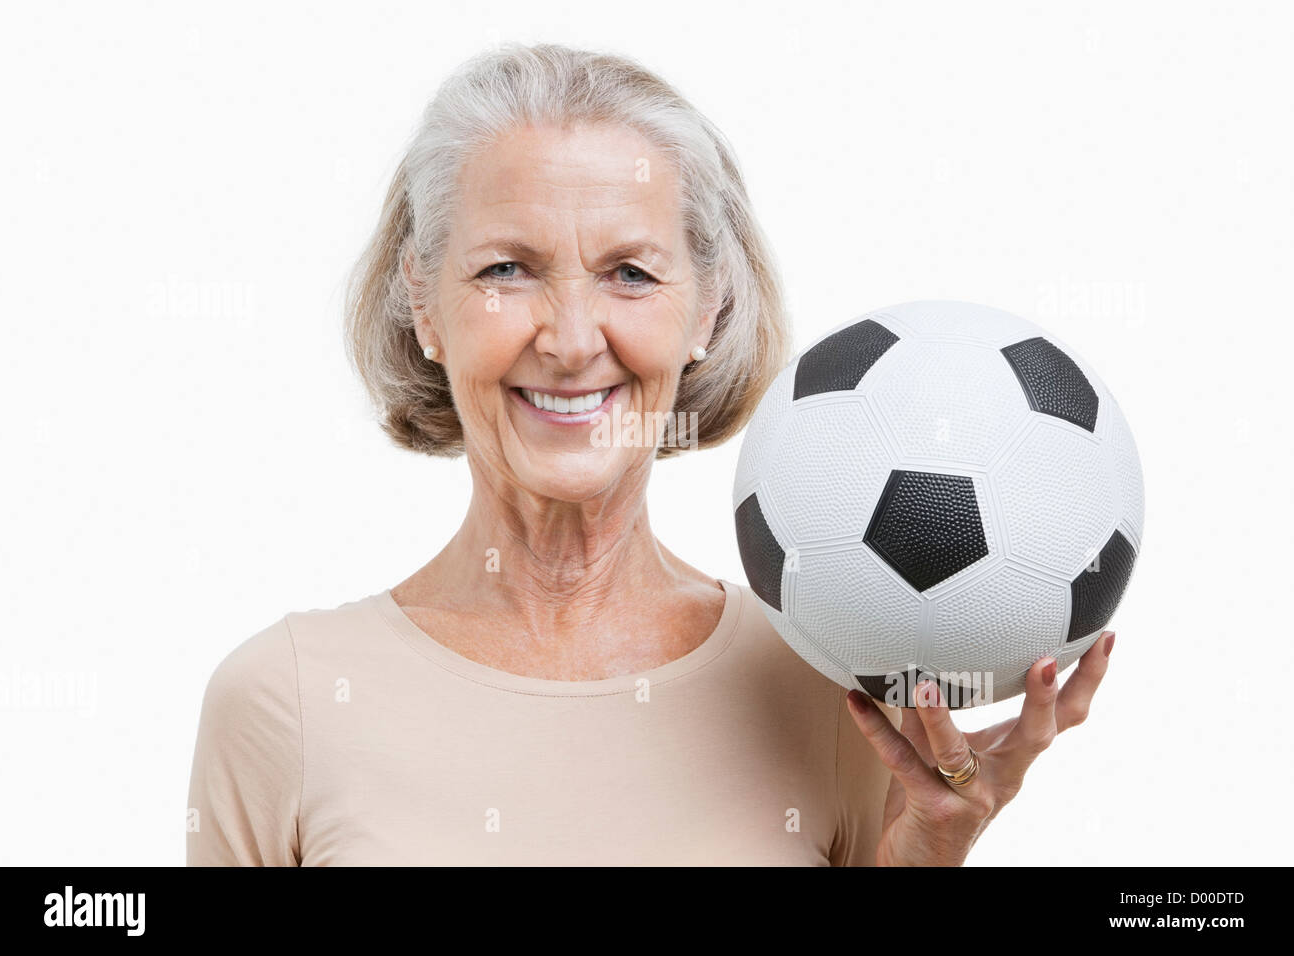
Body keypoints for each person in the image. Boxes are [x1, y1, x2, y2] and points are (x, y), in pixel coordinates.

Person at [185, 42, 1114, 866]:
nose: (572, 338)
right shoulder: (286, 702)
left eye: (630, 273)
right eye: (506, 268)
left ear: (709, 305)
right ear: (423, 301)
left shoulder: (831, 682)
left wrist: (929, 856)